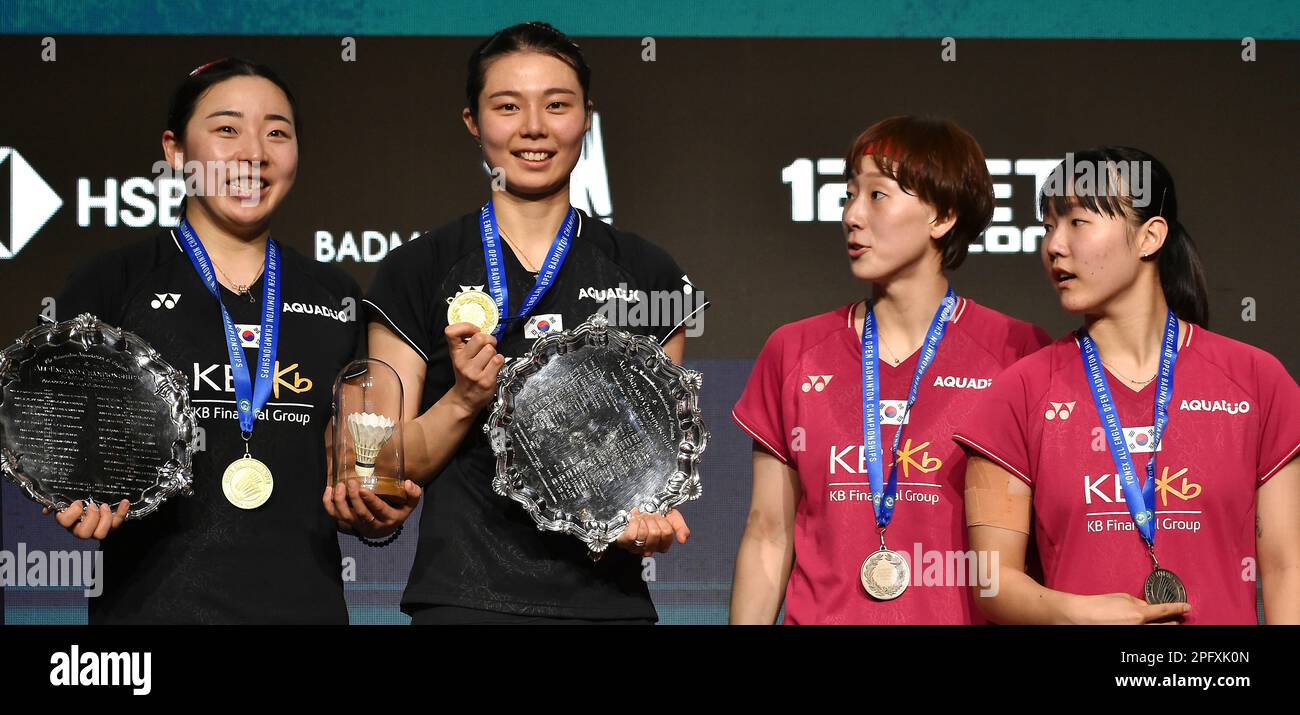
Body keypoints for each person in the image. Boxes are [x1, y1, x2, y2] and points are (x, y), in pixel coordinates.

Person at [44, 58, 420, 624]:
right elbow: (54, 428)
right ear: (174, 152)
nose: (254, 151)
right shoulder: (112, 283)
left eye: (277, 132)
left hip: (305, 611)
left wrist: (375, 513)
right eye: (227, 129)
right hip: (149, 620)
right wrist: (69, 486)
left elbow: (359, 467)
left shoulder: (337, 295)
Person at [365, 22, 706, 625]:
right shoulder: (417, 270)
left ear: (586, 117)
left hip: (606, 606)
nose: (534, 128)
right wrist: (466, 398)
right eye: (507, 106)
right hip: (464, 600)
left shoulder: (649, 272)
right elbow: (381, 465)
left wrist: (646, 519)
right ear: (472, 121)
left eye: (557, 105)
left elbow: (654, 463)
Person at [953, 146, 1300, 624]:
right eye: (1047, 226)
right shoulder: (1021, 390)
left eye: (1077, 221)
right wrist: (1076, 613)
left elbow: (1286, 567)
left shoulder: (1257, 381)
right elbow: (993, 582)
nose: (1054, 245)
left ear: (1150, 237)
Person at [729, 116, 1050, 624]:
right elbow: (769, 533)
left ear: (942, 216)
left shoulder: (1019, 354)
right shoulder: (794, 350)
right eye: (850, 193)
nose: (853, 215)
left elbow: (1039, 549)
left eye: (878, 196)